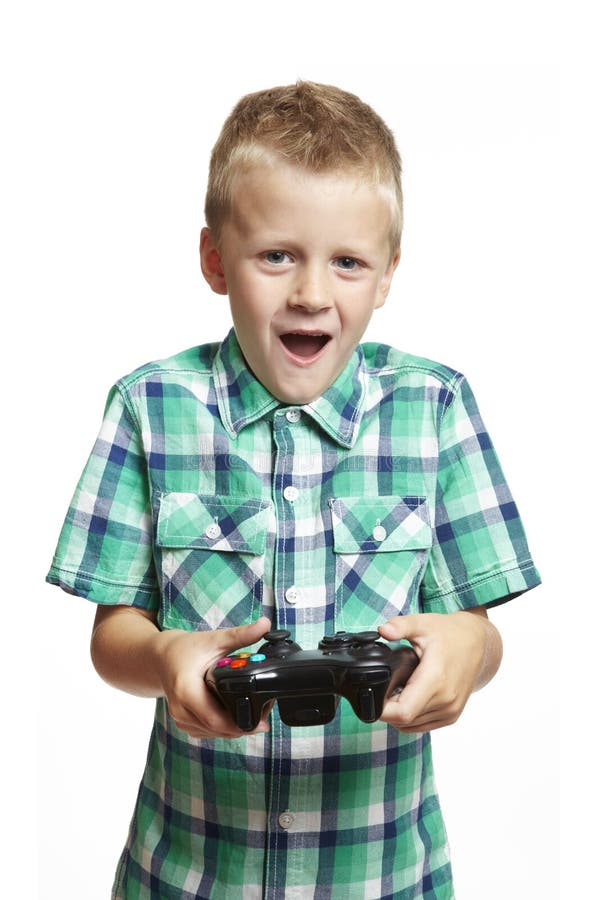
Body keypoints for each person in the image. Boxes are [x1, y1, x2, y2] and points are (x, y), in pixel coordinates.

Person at [46, 81, 541, 899]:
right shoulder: (149, 407)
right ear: (214, 260)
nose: (312, 292)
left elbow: (477, 635)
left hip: (384, 876)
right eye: (277, 254)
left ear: (386, 276)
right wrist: (166, 656)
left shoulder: (435, 408)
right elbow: (112, 638)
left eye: (348, 262)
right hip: (190, 876)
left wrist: (468, 652)